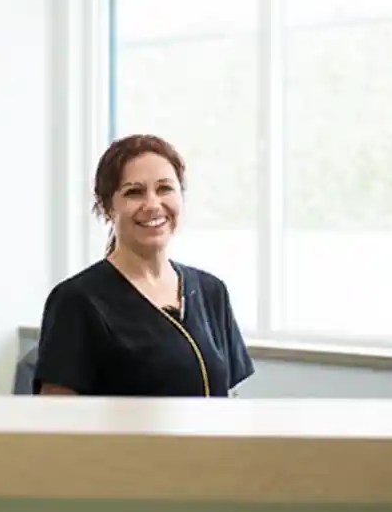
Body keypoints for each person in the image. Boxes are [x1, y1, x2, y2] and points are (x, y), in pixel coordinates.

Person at [34, 134, 253, 397]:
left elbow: (230, 399)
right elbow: (57, 423)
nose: (152, 205)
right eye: (134, 192)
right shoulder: (77, 301)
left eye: (165, 189)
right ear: (106, 207)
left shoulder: (211, 292)